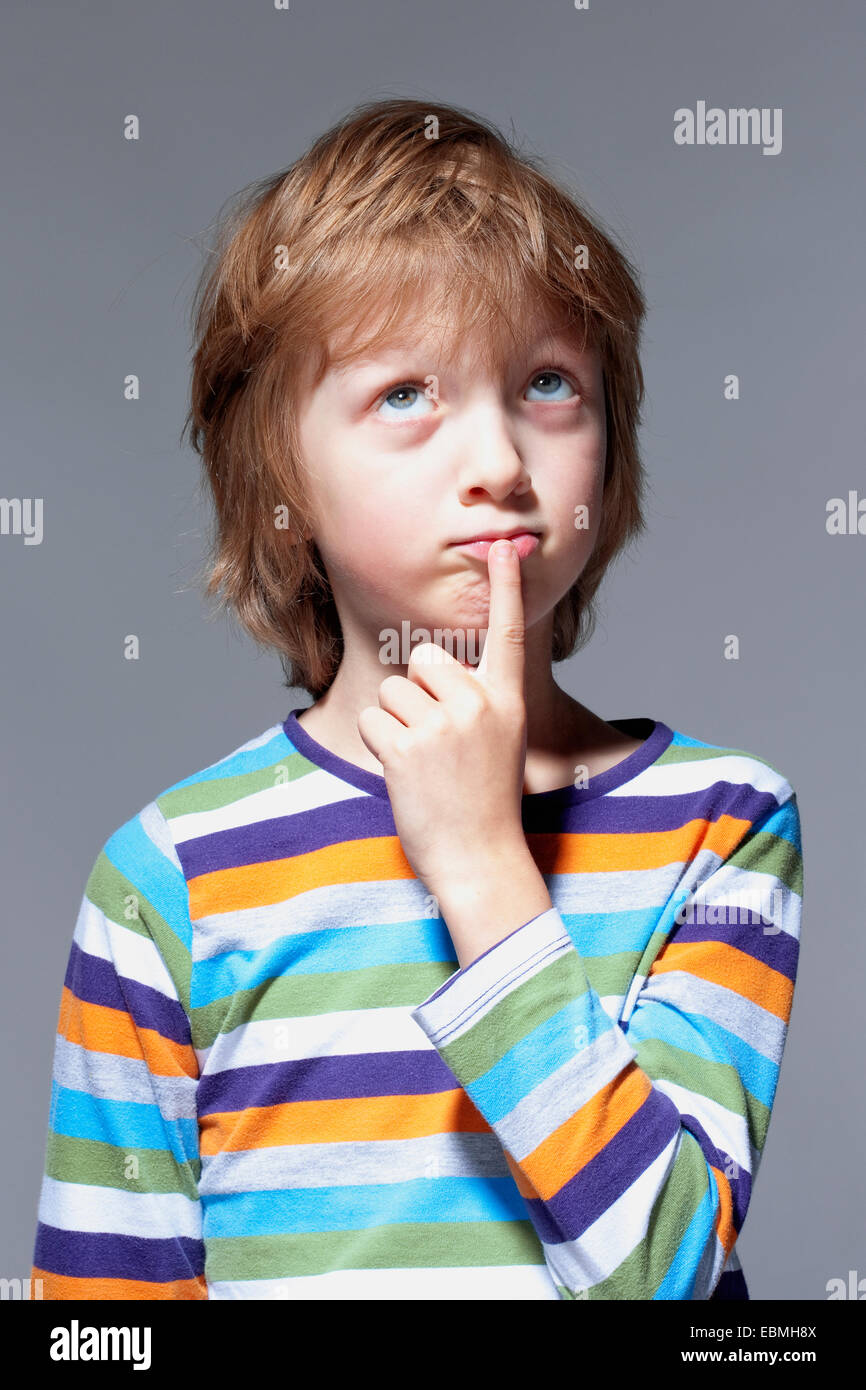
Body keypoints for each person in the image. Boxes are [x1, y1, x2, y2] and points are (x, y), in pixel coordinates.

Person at [31, 96, 802, 1300]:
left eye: (548, 383)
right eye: (405, 395)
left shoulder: (718, 823)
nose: (497, 461)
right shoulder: (169, 877)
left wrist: (486, 868)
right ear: (277, 478)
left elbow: (672, 1287)